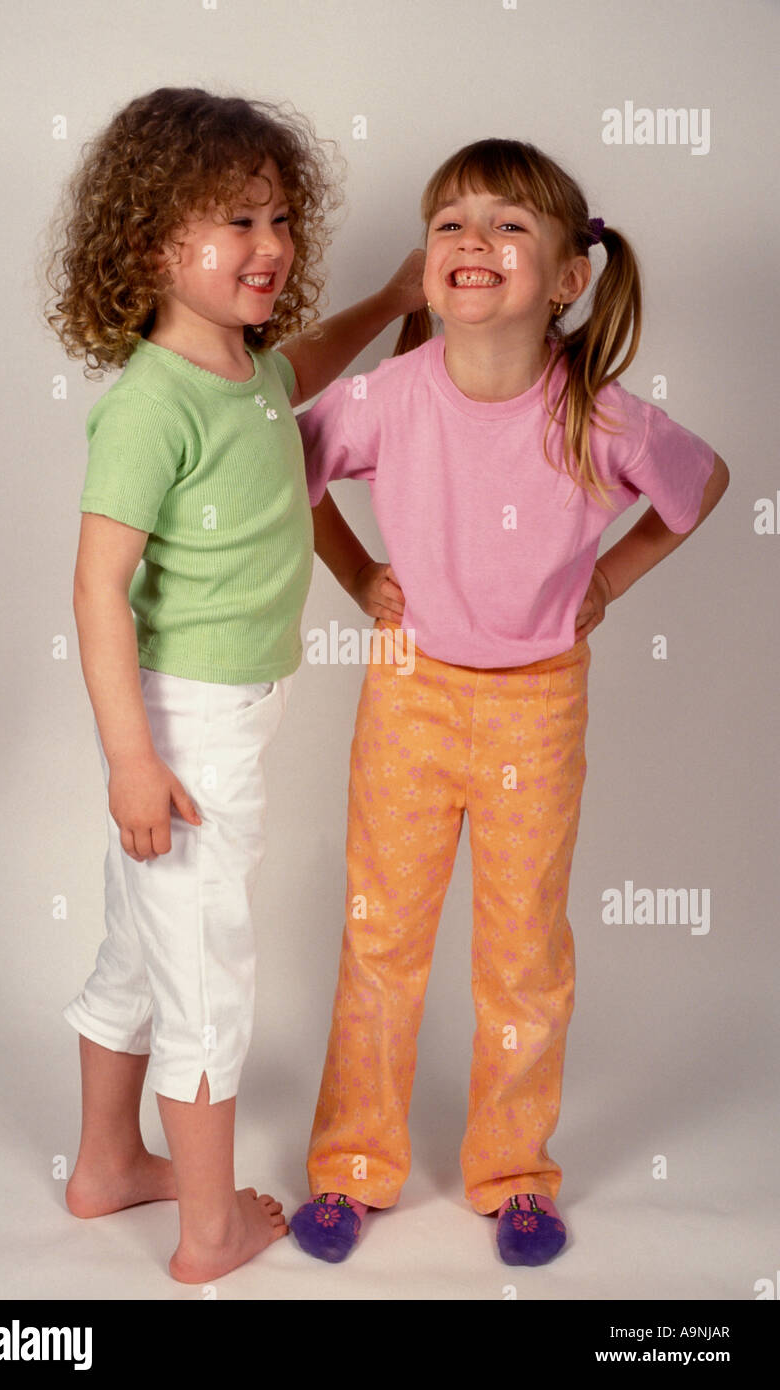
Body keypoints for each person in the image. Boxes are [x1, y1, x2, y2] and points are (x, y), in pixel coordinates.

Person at [288, 137, 729, 1267]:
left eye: (505, 225)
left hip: (538, 705)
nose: (470, 242)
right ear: (427, 264)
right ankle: (348, 1163)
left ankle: (513, 1169)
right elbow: (283, 466)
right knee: (382, 936)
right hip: (407, 696)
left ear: (568, 279)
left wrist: (607, 580)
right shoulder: (386, 394)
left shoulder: (597, 412)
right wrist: (355, 575)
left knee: (522, 950)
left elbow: (700, 485)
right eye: (447, 224)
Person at [41, 85, 424, 1283]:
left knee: (133, 953)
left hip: (217, 724)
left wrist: (396, 300)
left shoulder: (247, 371)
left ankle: (108, 1165)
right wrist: (132, 761)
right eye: (235, 225)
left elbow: (301, 369)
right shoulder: (151, 406)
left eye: (277, 220)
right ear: (156, 245)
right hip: (183, 737)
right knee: (206, 977)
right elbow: (96, 587)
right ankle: (209, 1236)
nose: (270, 248)